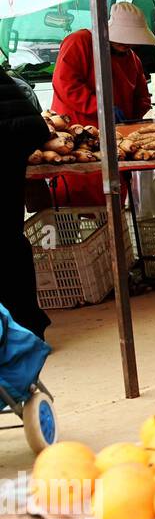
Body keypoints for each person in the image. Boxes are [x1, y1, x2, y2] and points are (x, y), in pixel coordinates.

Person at [49, 2, 155, 206]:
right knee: (72, 201)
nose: (127, 44)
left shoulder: (133, 59)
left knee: (111, 203)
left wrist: (133, 118)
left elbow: (142, 96)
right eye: (124, 39)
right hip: (76, 140)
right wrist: (101, 108)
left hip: (114, 141)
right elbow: (66, 84)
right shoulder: (79, 42)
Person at [3, 69, 54, 340]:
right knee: (10, 239)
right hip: (17, 137)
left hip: (9, 136)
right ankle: (29, 327)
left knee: (6, 242)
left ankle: (19, 332)